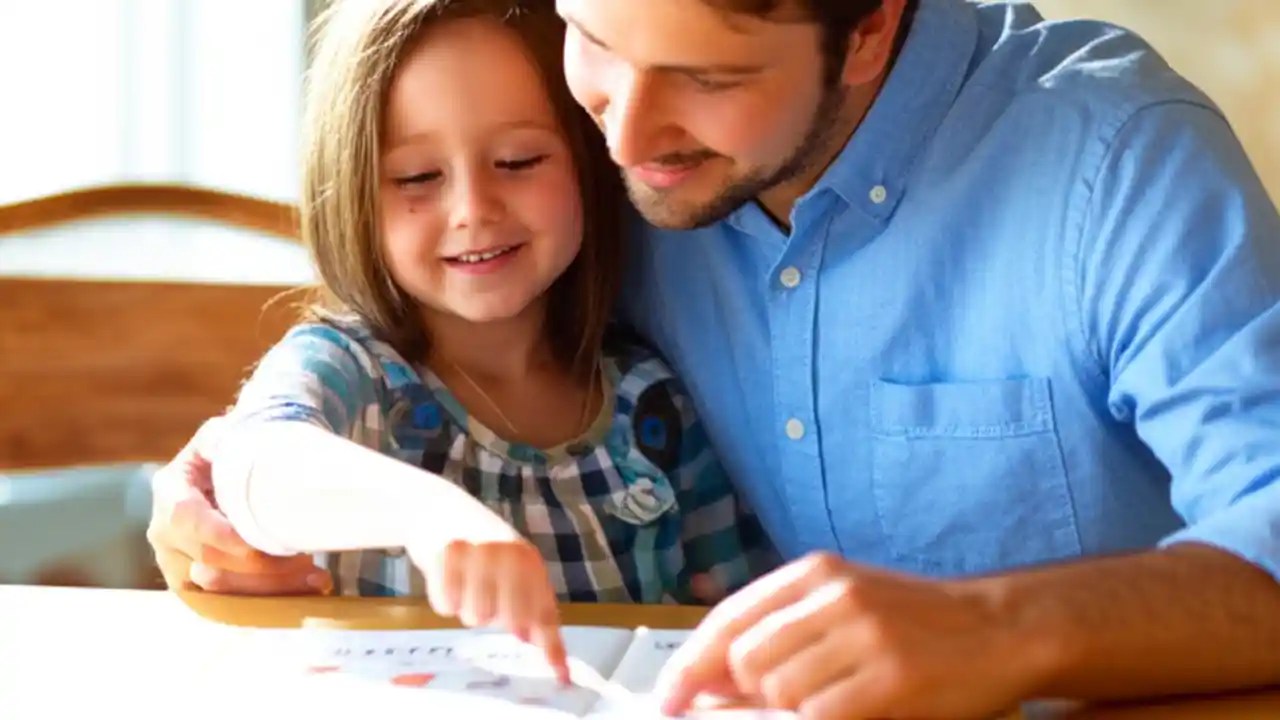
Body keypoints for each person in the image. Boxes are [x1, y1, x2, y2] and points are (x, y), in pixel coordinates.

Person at [148, 0, 1280, 716]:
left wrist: (997, 629)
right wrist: (224, 478)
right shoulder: (588, 166)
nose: (624, 140)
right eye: (592, 39)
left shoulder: (1113, 167)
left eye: (709, 79)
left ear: (869, 28)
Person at [169, 0, 776, 684]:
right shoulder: (348, 367)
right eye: (417, 177)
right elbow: (254, 465)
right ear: (353, 195)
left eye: (519, 161)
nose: (473, 210)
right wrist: (431, 516)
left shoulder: (651, 403)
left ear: (587, 160)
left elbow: (744, 615)